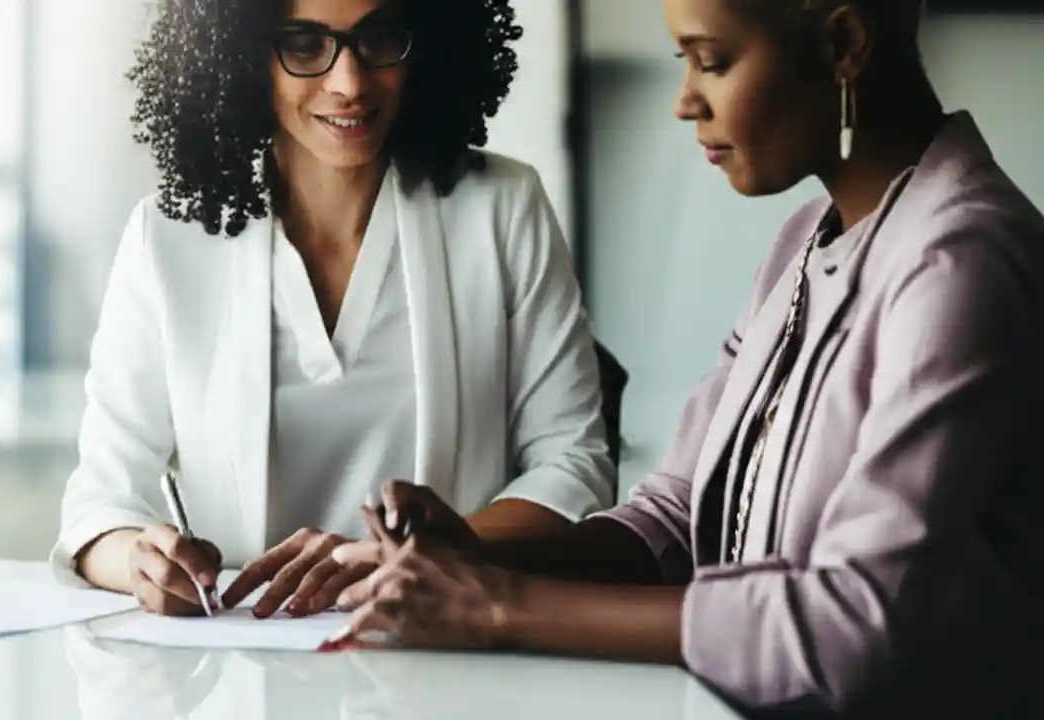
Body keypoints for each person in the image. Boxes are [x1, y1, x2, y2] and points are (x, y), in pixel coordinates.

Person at [335, 0, 1044, 715]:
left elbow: (856, 620)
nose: (685, 103)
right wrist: (472, 558)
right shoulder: (805, 244)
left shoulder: (962, 262)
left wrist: (503, 606)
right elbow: (676, 519)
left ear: (844, 41)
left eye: (712, 61)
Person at [50, 0, 616, 622]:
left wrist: (412, 559)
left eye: (379, 38)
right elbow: (100, 505)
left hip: (446, 655)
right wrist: (141, 562)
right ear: (241, 55)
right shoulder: (167, 238)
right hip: (237, 666)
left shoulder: (503, 210)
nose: (349, 84)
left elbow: (573, 465)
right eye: (303, 45)